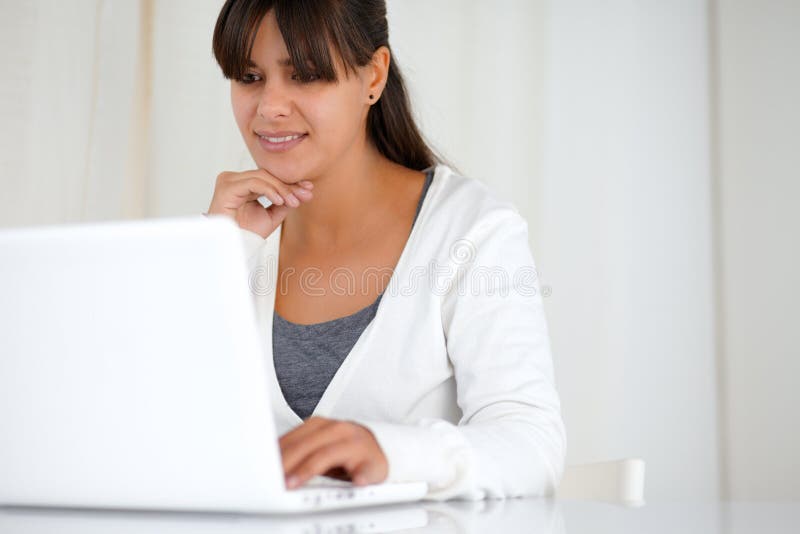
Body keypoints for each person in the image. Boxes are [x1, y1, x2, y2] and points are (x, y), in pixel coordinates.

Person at [206, 0, 565, 500]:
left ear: (373, 76)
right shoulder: (231, 235)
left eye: (305, 74)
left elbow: (533, 445)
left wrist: (387, 450)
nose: (269, 107)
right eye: (249, 77)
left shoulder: (471, 230)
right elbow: (159, 431)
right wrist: (216, 258)